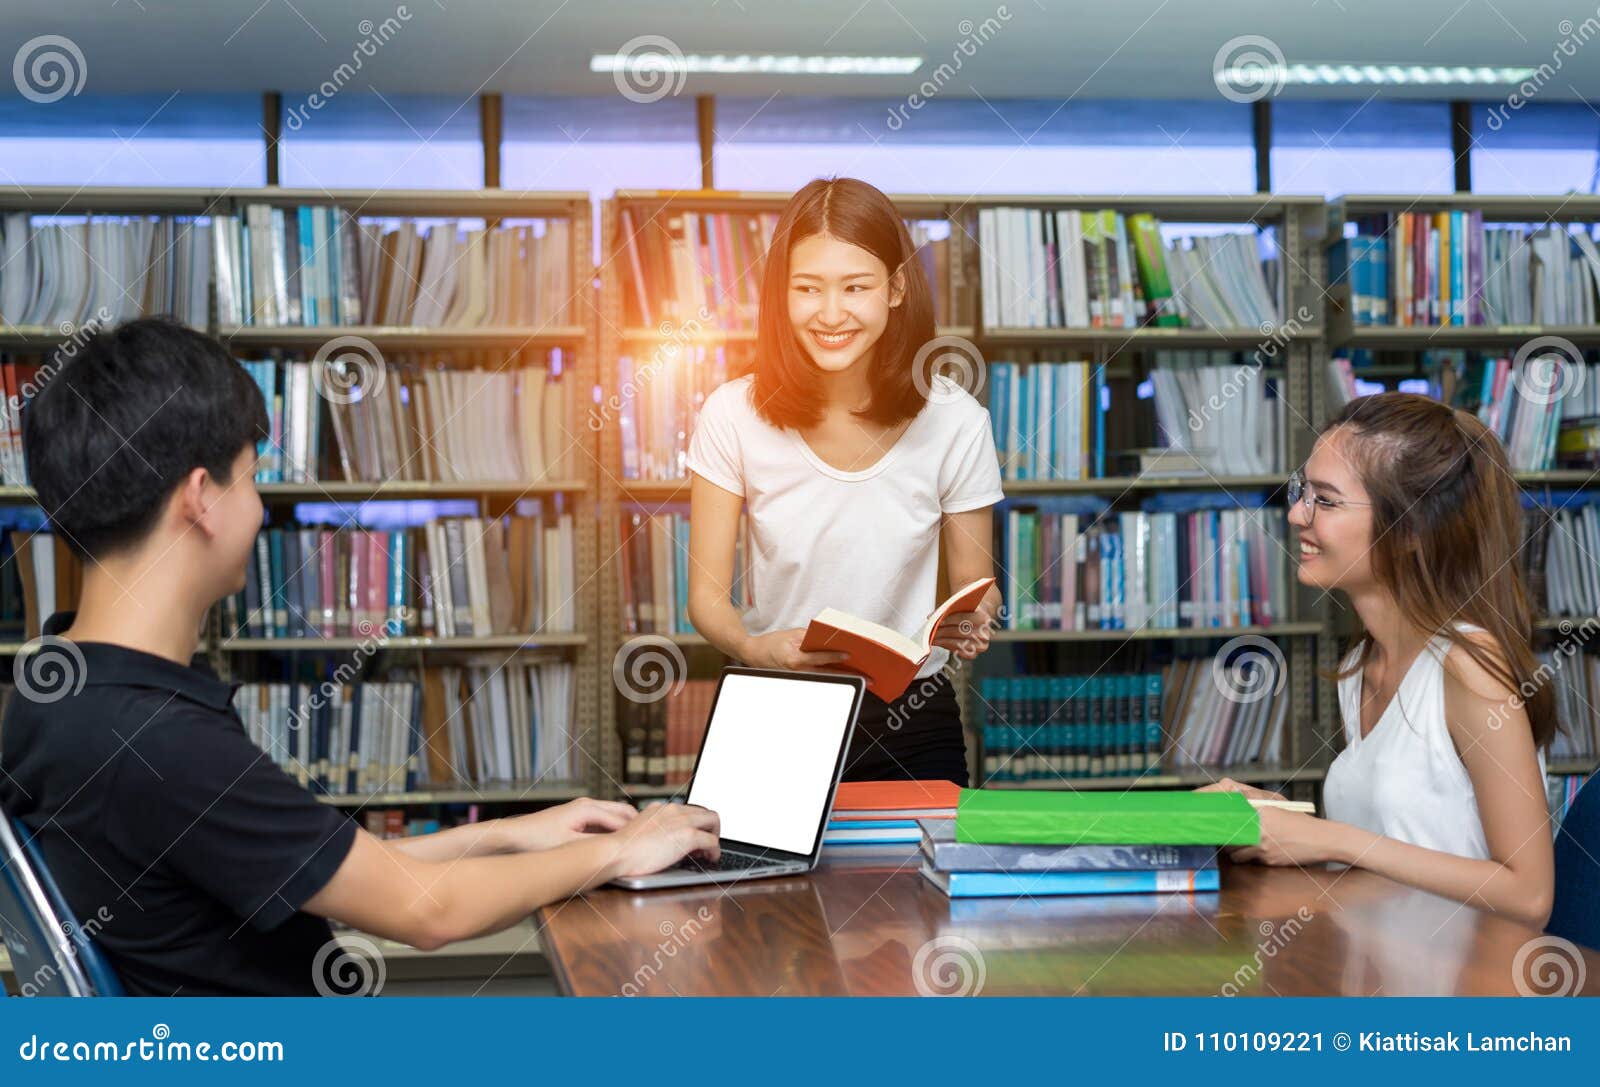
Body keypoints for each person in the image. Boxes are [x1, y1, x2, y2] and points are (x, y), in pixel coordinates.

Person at [0, 317, 720, 996]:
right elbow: (428, 911)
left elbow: (330, 868)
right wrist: (619, 850)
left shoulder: (59, 693)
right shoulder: (164, 744)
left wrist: (511, 834)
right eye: (250, 477)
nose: (259, 509)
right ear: (201, 499)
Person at [685, 177, 1005, 786]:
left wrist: (973, 616)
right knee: (758, 856)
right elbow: (705, 599)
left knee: (924, 854)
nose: (831, 314)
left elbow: (976, 587)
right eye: (808, 288)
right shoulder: (732, 414)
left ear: (896, 289)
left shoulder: (956, 420)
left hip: (913, 717)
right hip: (775, 706)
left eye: (856, 287)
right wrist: (754, 648)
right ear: (781, 293)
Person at [1204, 392, 1554, 927]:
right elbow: (1397, 846)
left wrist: (1332, 839)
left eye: (1326, 501)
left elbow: (1529, 896)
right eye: (1302, 491)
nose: (1296, 514)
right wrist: (1280, 819)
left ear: (1410, 530)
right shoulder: (1362, 664)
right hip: (1378, 959)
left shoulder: (1469, 667)